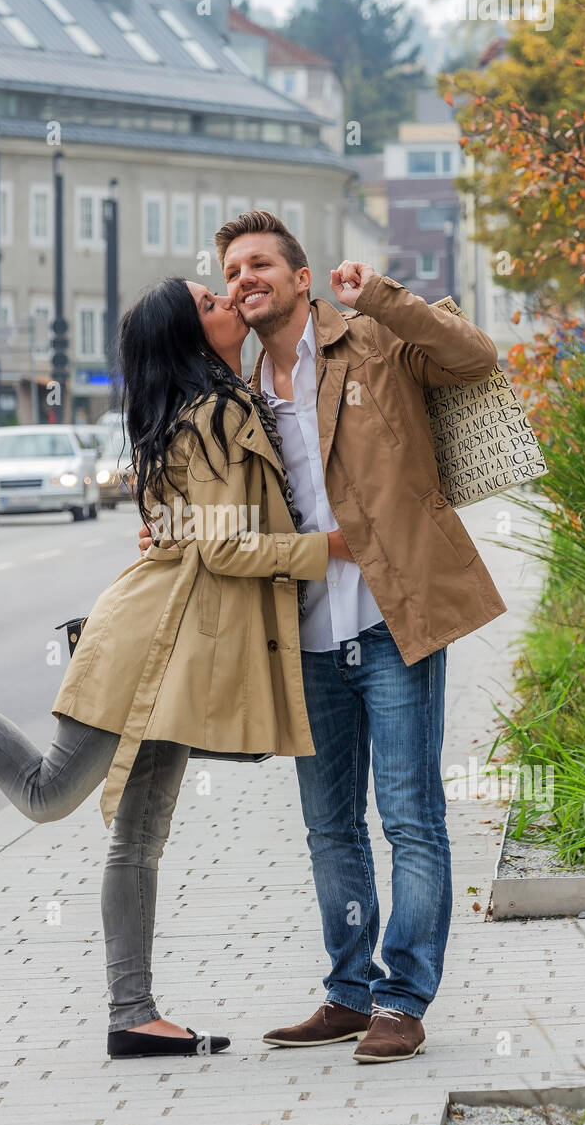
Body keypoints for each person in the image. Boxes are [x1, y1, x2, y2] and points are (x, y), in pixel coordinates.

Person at [0, 275, 353, 1060]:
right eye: (209, 302)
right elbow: (224, 547)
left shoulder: (217, 406)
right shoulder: (216, 414)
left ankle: (132, 1015)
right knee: (47, 793)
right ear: (190, 338)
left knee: (140, 838)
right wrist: (329, 552)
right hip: (150, 638)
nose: (228, 302)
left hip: (183, 645)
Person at [141, 213, 507, 1063]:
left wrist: (382, 293)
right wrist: (162, 523)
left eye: (261, 263)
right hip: (301, 634)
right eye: (232, 270)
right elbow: (200, 491)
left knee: (412, 819)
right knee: (330, 827)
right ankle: (349, 992)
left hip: (393, 616)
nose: (243, 279)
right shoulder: (236, 389)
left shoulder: (375, 338)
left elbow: (476, 359)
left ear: (301, 277)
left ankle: (403, 1000)